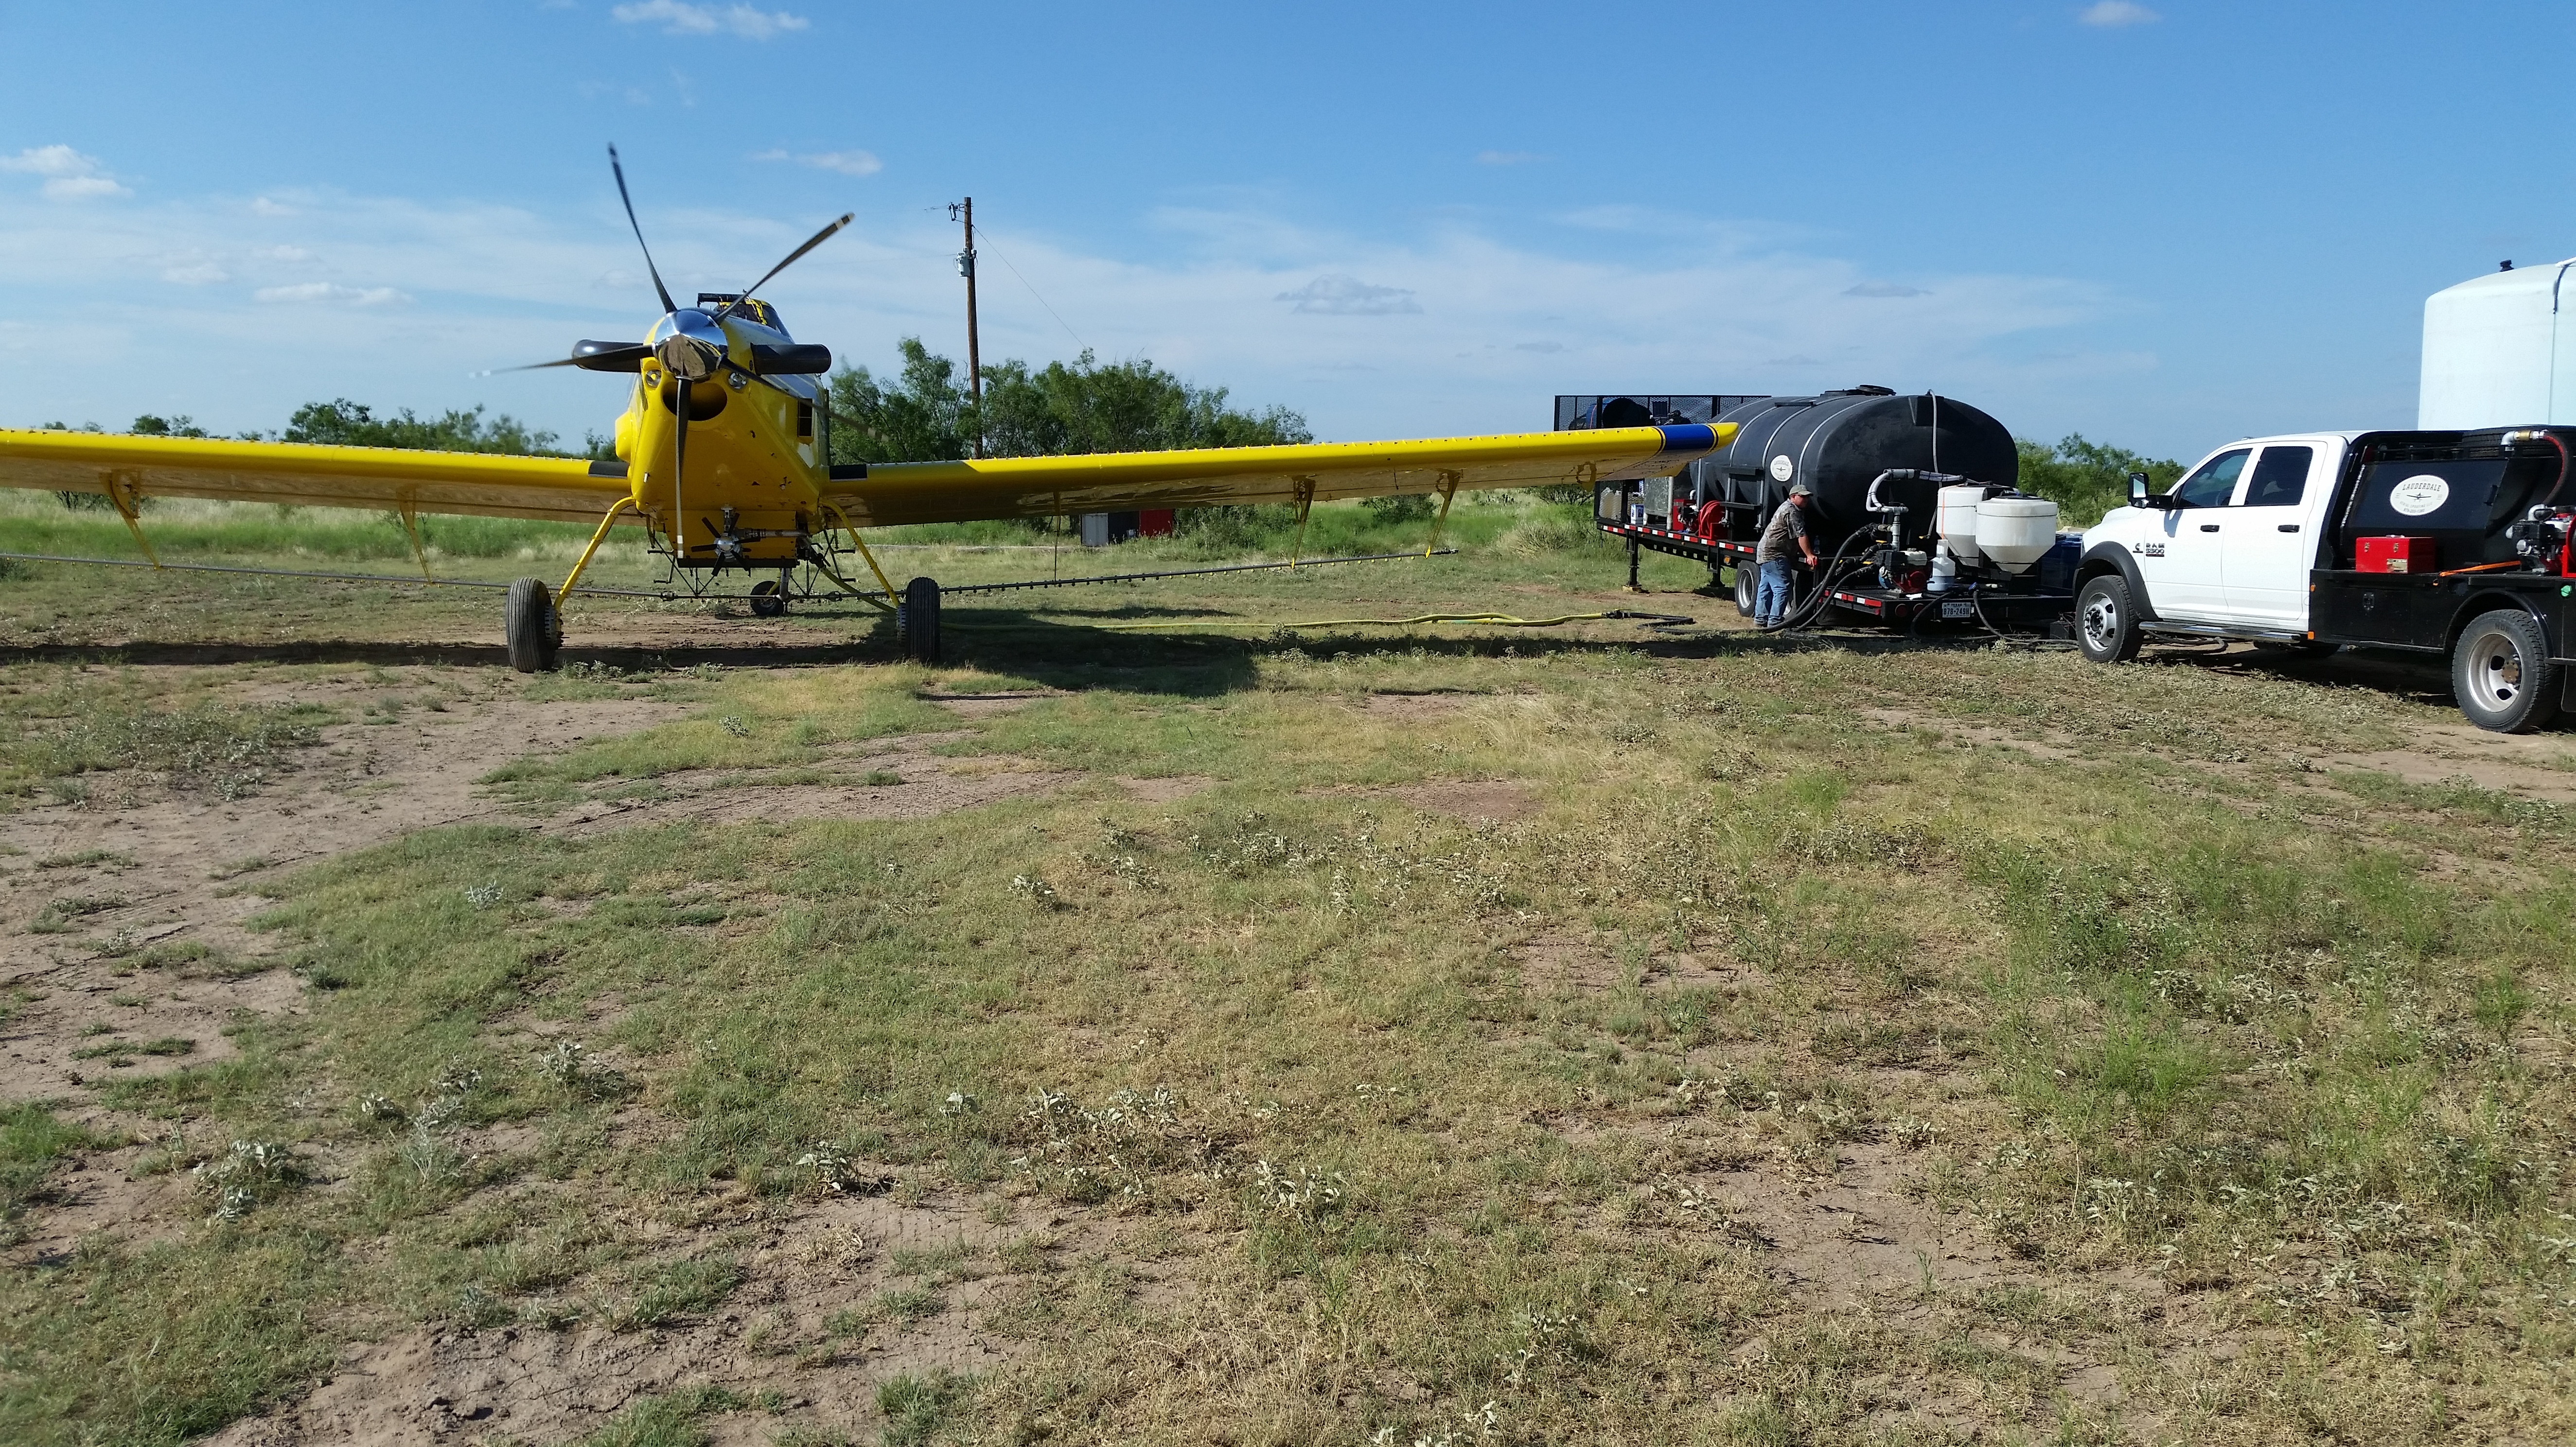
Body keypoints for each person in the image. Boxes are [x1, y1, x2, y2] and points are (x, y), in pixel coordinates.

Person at [1753, 481, 1818, 628]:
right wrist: (1809, 555)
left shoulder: (1787, 507)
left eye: (1807, 497)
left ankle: (1761, 618)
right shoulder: (1791, 511)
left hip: (1765, 552)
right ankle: (1775, 622)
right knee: (1783, 587)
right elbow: (1800, 535)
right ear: (1794, 497)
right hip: (1774, 554)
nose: (1806, 500)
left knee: (1766, 587)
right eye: (1803, 497)